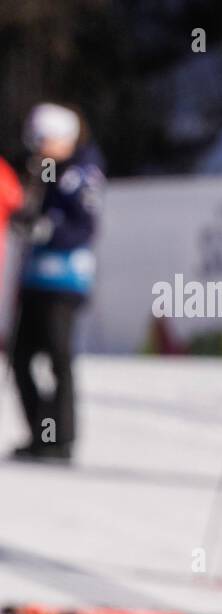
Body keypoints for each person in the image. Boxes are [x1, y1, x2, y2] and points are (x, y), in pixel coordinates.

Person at [10, 103, 103, 462]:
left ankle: (60, 439)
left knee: (58, 358)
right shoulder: (44, 170)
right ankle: (40, 434)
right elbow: (33, 209)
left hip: (64, 280)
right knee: (20, 358)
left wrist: (49, 230)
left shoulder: (82, 174)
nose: (37, 150)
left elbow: (86, 227)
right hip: (35, 277)